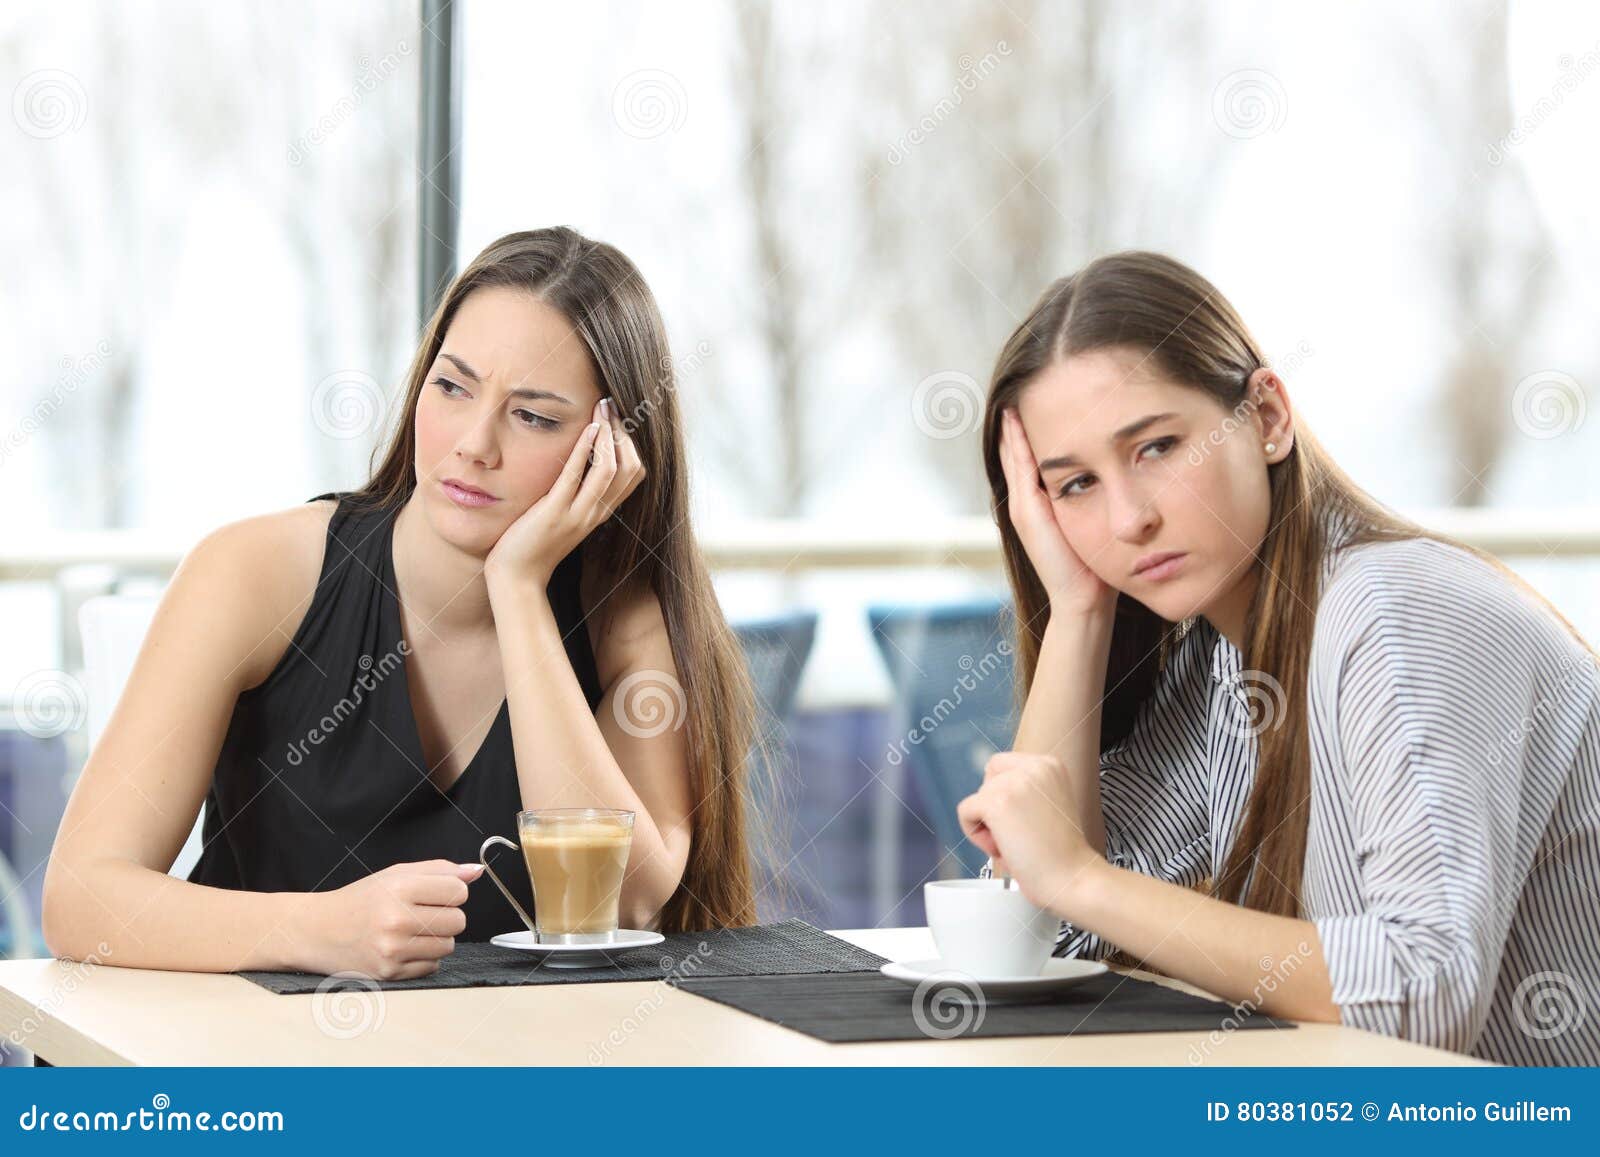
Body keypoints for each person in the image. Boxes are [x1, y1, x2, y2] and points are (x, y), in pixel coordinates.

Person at [43, 227, 757, 981]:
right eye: (452, 387)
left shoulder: (627, 619)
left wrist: (518, 589)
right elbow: (81, 897)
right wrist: (318, 928)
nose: (473, 444)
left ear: (608, 451)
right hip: (240, 1068)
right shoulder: (254, 571)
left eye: (534, 416)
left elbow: (627, 905)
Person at [957, 251, 1600, 1065]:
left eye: (1156, 447)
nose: (1128, 519)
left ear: (1266, 417)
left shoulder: (1394, 609)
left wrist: (1082, 876)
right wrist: (1079, 610)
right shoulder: (1219, 661)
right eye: (1076, 484)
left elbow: (1424, 989)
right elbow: (1046, 932)